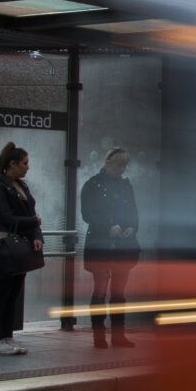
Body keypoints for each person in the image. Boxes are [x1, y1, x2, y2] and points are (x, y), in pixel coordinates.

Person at [0, 142, 43, 356]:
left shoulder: (22, 186)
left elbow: (32, 215)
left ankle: (7, 337)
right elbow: (5, 218)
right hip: (3, 245)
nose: (27, 167)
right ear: (13, 164)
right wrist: (32, 222)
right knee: (1, 293)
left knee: (13, 294)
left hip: (20, 246)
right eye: (25, 163)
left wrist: (37, 235)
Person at [79, 146, 139, 349]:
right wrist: (108, 227)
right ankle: (99, 336)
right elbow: (87, 214)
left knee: (119, 293)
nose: (121, 169)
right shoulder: (93, 185)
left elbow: (134, 212)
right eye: (118, 165)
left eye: (124, 166)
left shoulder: (126, 186)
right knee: (100, 290)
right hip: (101, 245)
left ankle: (119, 335)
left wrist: (132, 227)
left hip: (123, 246)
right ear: (107, 163)